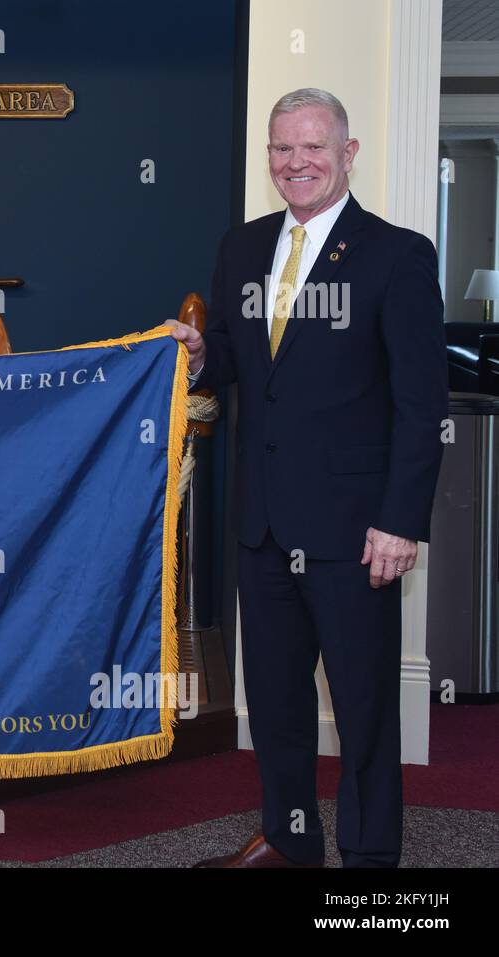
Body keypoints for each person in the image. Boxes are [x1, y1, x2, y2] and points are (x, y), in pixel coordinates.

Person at [167, 88, 446, 868]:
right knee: (280, 712)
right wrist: (199, 354)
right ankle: (291, 843)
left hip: (359, 532)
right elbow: (233, 363)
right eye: (282, 149)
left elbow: (422, 409)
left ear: (347, 154)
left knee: (362, 717)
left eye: (313, 147)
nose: (296, 163)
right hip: (262, 527)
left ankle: (367, 867)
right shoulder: (242, 249)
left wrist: (402, 521)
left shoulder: (398, 256)